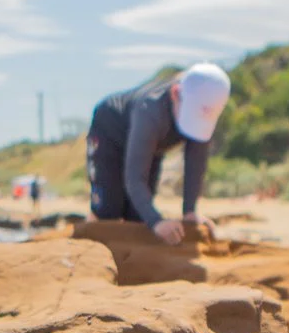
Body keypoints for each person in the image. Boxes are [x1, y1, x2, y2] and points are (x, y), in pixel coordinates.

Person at [85, 64, 231, 243]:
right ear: (176, 94)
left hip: (153, 146)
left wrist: (190, 212)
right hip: (110, 134)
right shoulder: (150, 110)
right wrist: (157, 221)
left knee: (137, 215)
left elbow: (195, 163)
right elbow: (134, 176)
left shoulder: (203, 108)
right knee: (109, 210)